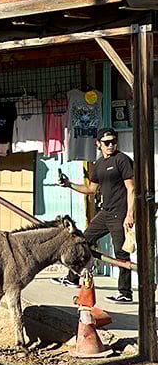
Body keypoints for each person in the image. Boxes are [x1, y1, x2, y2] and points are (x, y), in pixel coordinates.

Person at [51, 128, 135, 303]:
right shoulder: (98, 164)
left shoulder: (123, 160)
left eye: (113, 142)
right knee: (82, 241)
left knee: (121, 252)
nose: (111, 145)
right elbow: (91, 189)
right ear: (98, 144)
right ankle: (72, 278)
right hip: (105, 212)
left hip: (119, 213)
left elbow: (131, 188)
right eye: (106, 142)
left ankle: (125, 293)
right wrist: (69, 184)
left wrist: (130, 214)